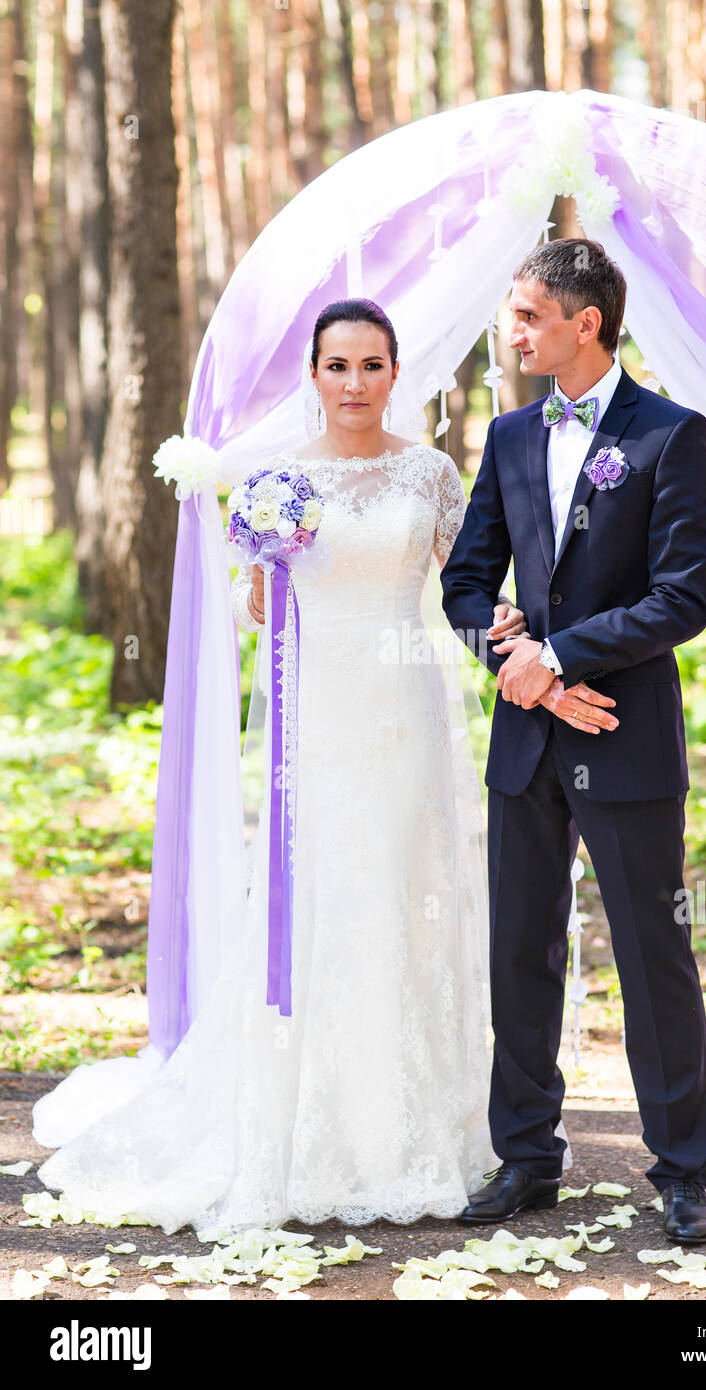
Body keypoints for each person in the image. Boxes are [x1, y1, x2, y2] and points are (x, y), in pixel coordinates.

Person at [32, 298, 530, 1232]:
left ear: (396, 374)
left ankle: (413, 1126)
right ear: (314, 375)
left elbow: (464, 583)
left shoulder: (428, 473)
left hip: (408, 712)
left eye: (372, 366)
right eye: (338, 366)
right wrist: (258, 580)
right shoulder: (276, 480)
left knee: (405, 894)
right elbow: (248, 603)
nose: (355, 384)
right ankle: (308, 1125)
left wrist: (506, 624)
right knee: (320, 896)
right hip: (319, 717)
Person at [441, 239, 706, 1243]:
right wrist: (509, 653)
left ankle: (683, 1169)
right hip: (527, 736)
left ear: (584, 323)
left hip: (624, 731)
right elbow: (465, 580)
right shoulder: (511, 434)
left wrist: (556, 658)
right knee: (519, 948)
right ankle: (526, 1156)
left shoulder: (670, 434)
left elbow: (683, 597)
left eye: (527, 315)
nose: (511, 332)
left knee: (652, 950)